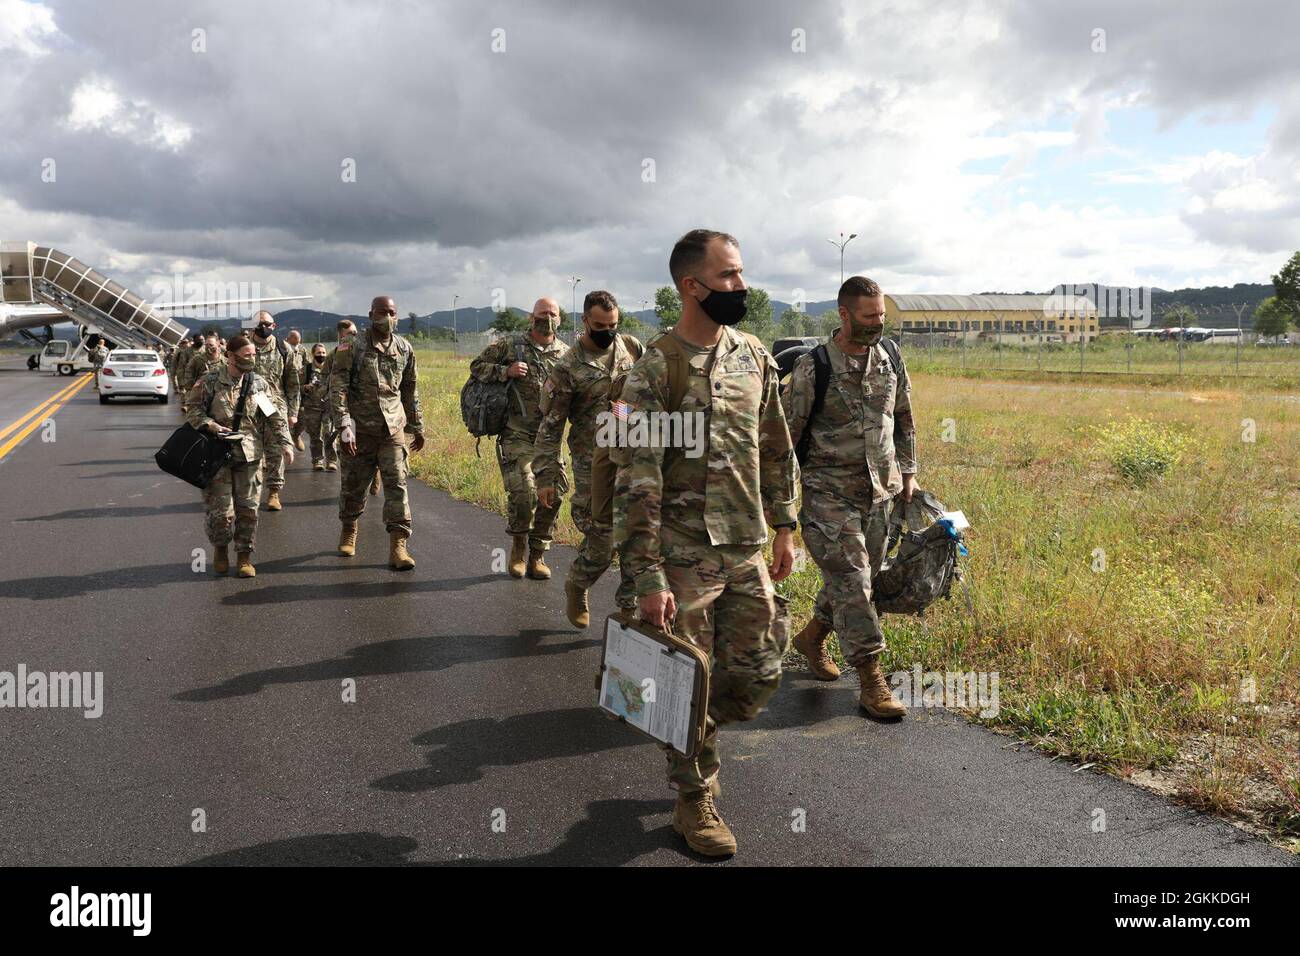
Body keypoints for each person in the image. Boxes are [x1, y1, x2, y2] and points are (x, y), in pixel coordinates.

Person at [615, 229, 798, 857]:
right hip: (683, 552)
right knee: (685, 683)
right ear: (691, 286)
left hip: (746, 544)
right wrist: (647, 577)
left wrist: (785, 525)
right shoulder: (653, 372)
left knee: (756, 674)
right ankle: (693, 794)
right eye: (727, 277)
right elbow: (637, 482)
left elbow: (775, 447)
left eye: (740, 274)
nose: (740, 287)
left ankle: (697, 738)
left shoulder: (753, 356)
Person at [782, 276, 917, 719]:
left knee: (859, 579)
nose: (878, 323)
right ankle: (872, 681)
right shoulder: (813, 367)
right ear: (844, 314)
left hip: (881, 491)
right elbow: (784, 438)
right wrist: (781, 505)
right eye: (869, 316)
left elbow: (903, 418)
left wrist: (909, 473)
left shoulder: (891, 357)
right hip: (827, 495)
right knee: (855, 579)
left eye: (881, 315)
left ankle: (812, 636)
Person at [534, 290, 643, 626]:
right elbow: (551, 425)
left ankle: (629, 608)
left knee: (638, 532)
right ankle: (578, 583)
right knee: (603, 536)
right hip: (591, 462)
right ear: (584, 321)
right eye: (600, 325)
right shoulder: (567, 367)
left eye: (613, 324)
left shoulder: (631, 347)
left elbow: (641, 393)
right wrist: (546, 476)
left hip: (632, 456)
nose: (608, 331)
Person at [468, 298, 568, 579]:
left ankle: (538, 555)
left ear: (560, 319)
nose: (547, 318)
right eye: (542, 313)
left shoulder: (567, 355)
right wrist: (504, 371)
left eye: (552, 314)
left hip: (549, 440)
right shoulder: (510, 346)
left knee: (554, 495)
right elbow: (476, 367)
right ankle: (518, 548)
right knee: (524, 492)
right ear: (531, 317)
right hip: (517, 434)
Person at [184, 335, 293, 578]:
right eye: (247, 355)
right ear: (230, 356)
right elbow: (193, 411)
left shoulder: (257, 384)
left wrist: (286, 442)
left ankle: (244, 557)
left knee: (249, 510)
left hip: (250, 455)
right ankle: (220, 549)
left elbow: (273, 415)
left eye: (254, 355)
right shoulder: (210, 381)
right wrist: (211, 425)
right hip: (216, 456)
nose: (252, 359)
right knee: (221, 512)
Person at [330, 296, 425, 570]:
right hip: (359, 429)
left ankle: (398, 546)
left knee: (397, 485)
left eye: (393, 312)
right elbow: (338, 385)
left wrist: (417, 426)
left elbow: (409, 389)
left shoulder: (405, 348)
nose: (388, 317)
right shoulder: (352, 345)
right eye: (383, 312)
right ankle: (349, 527)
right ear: (371, 314)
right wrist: (343, 424)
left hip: (392, 428)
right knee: (354, 486)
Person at [247, 311, 301, 512]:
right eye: (260, 323)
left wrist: (293, 412)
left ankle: (273, 492)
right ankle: (248, 492)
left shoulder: (283, 348)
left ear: (274, 325)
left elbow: (293, 383)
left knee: (275, 450)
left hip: (273, 406)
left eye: (267, 323)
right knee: (247, 449)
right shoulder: (245, 347)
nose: (263, 326)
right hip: (248, 407)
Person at [299, 342, 337, 471]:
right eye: (319, 353)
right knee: (315, 436)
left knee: (329, 434)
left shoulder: (332, 369)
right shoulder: (306, 370)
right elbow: (296, 387)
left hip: (328, 406)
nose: (321, 355)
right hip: (312, 408)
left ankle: (331, 461)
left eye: (323, 353)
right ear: (313, 354)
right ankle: (317, 461)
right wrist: (305, 388)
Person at [284, 329, 310, 451]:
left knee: (302, 416)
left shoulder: (302, 350)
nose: (296, 346)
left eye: (298, 343)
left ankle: (296, 435)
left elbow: (308, 365)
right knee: (285, 417)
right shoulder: (282, 348)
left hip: (299, 387)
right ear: (288, 339)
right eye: (294, 343)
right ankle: (286, 443)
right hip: (285, 388)